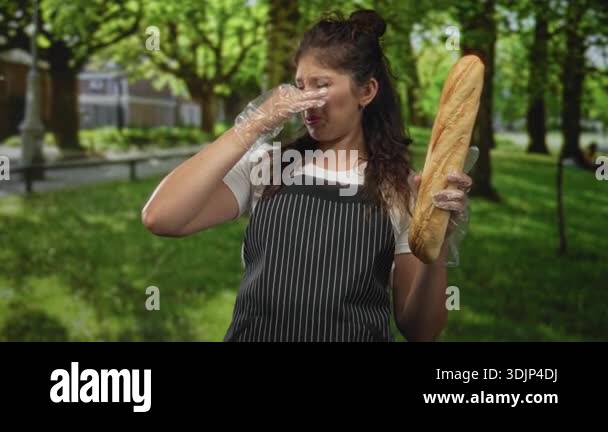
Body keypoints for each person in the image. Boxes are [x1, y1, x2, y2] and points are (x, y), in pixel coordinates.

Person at [141, 9, 474, 342]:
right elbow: (162, 217)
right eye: (300, 86)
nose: (307, 101)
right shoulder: (268, 167)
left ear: (366, 92)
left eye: (322, 85)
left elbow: (420, 331)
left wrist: (438, 241)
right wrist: (253, 124)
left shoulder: (402, 189)